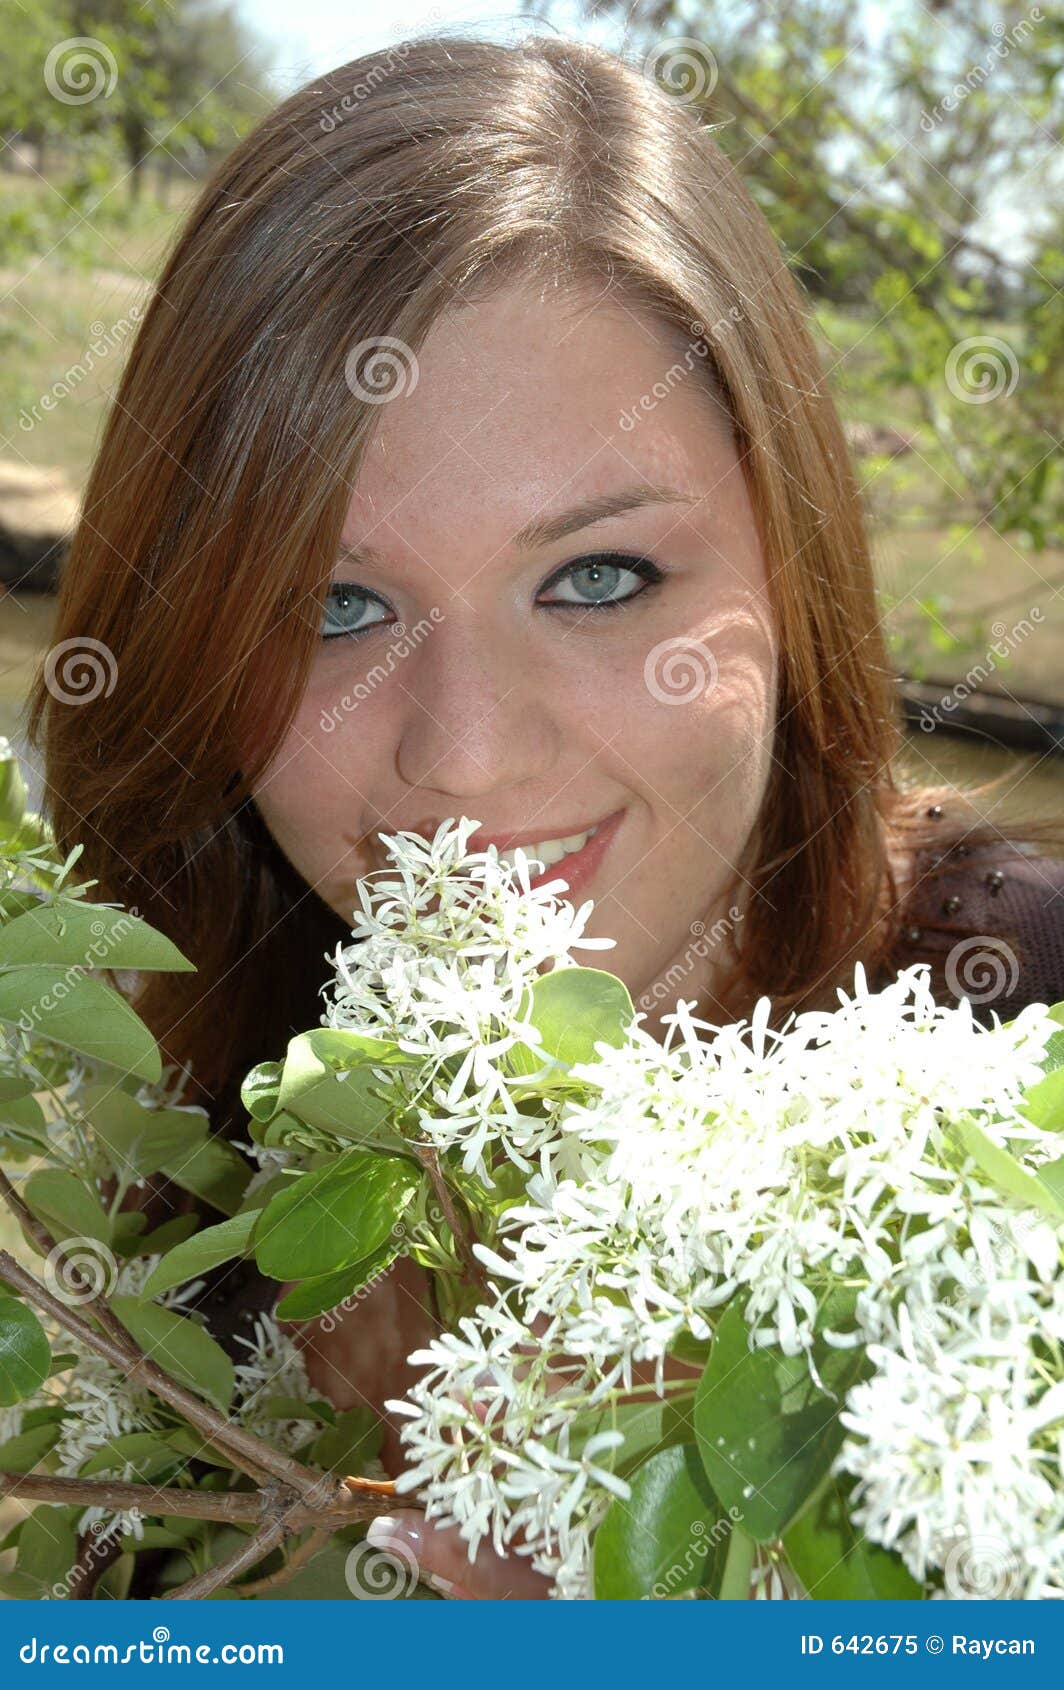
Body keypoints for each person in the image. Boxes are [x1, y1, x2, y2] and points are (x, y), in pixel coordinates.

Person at [25, 33, 1064, 1599]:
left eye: (597, 578)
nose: (466, 754)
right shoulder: (202, 1194)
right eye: (334, 606)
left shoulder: (1030, 1038)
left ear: (791, 570)